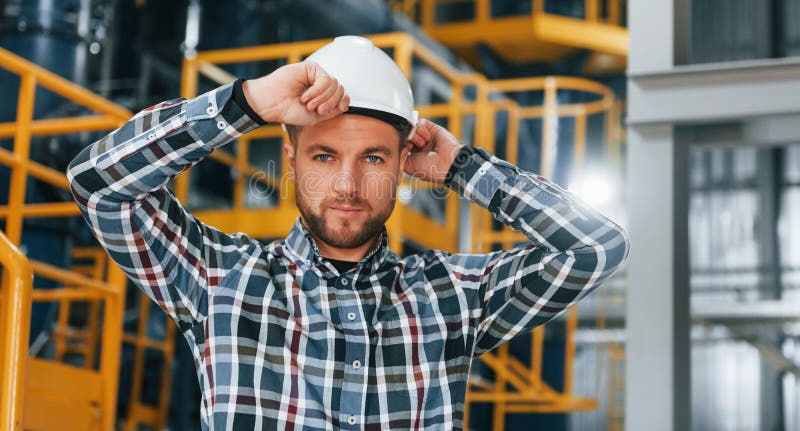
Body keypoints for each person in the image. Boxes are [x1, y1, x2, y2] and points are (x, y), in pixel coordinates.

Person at [67, 36, 630, 430]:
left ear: (405, 164)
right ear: (290, 161)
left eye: (375, 159)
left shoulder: (453, 297)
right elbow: (97, 184)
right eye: (324, 155)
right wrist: (243, 104)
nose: (347, 183)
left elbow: (596, 246)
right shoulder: (218, 279)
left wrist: (464, 168)